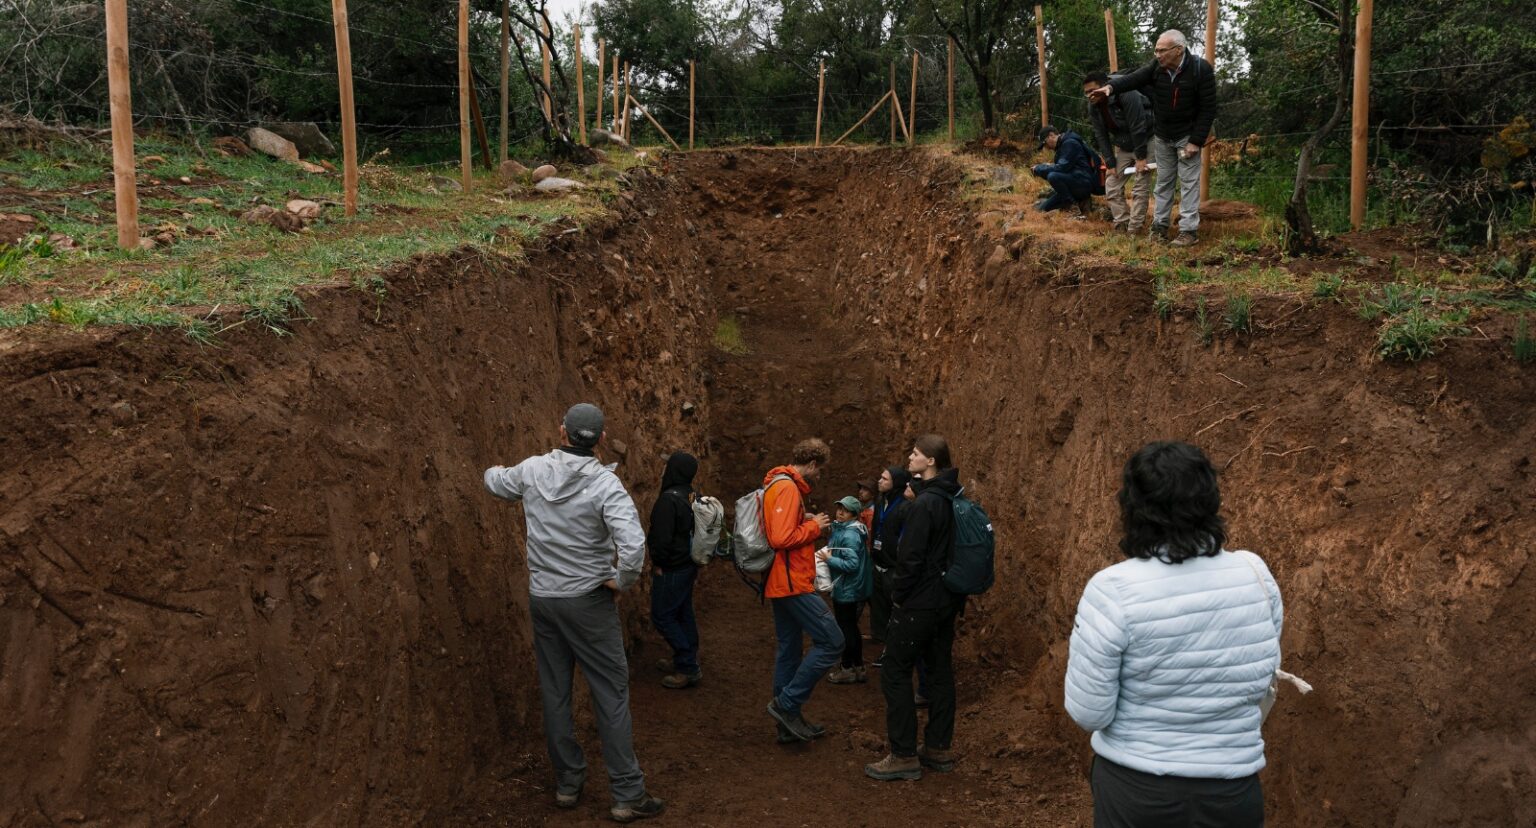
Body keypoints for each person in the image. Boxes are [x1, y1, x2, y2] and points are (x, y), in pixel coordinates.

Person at [1065, 441, 1282, 827]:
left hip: (1140, 792)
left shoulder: (1113, 589)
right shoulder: (1256, 575)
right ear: (1209, 499)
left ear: (1133, 508)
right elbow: (1263, 678)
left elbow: (1089, 712)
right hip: (1233, 791)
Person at [483, 403, 665, 823]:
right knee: (610, 694)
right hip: (588, 601)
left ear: (561, 429)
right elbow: (634, 547)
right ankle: (627, 792)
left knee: (555, 692)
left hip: (544, 600)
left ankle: (568, 783)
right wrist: (622, 581)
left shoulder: (531, 470)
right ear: (601, 440)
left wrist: (491, 469)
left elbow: (496, 483)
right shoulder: (605, 485)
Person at [866, 435, 965, 782]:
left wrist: (898, 598)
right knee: (939, 671)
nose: (910, 458)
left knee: (894, 669)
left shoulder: (925, 505)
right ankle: (938, 747)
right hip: (945, 601)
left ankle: (904, 754)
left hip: (919, 603)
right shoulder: (953, 498)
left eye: (916, 454)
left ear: (932, 462)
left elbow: (910, 559)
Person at [1090, 29, 1218, 247]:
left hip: (1187, 135)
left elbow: (1208, 109)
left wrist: (1195, 141)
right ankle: (1159, 228)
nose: (1157, 55)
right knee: (1164, 183)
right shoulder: (1156, 68)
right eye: (1156, 50)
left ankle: (1188, 231)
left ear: (1179, 50)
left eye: (1162, 50)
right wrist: (1110, 87)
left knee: (1188, 183)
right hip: (1162, 135)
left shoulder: (1200, 69)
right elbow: (1134, 79)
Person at [762, 438, 843, 744]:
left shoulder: (781, 486)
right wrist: (815, 527)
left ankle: (788, 724)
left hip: (783, 581)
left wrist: (803, 520)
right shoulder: (786, 487)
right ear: (811, 465)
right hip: (792, 583)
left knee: (790, 649)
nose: (820, 476)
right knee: (833, 641)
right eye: (819, 470)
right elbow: (781, 538)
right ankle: (786, 705)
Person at [647, 451, 702, 690]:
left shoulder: (668, 500)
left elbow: (661, 539)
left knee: (662, 616)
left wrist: (658, 564)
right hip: (689, 564)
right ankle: (686, 658)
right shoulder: (693, 496)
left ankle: (688, 666)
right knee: (682, 612)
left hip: (671, 568)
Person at [1083, 71, 1152, 235]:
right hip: (1123, 144)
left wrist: (1141, 157)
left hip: (1147, 140)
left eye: (1092, 90)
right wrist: (1110, 162)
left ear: (1104, 86)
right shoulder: (1093, 105)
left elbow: (1138, 124)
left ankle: (1134, 229)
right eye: (1086, 92)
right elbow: (1100, 134)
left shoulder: (1126, 93)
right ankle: (1121, 223)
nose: (1089, 96)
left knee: (1140, 184)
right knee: (1112, 184)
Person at [821, 496, 873, 685]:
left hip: (847, 587)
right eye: (839, 508)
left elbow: (851, 564)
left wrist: (828, 560)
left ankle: (847, 669)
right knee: (851, 627)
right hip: (850, 586)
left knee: (846, 629)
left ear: (854, 515)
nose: (840, 512)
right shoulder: (846, 529)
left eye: (846, 510)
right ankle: (858, 667)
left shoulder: (850, 534)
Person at [868, 466, 912, 647]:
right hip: (878, 564)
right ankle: (880, 639)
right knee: (878, 606)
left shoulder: (905, 507)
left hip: (893, 567)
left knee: (895, 608)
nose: (879, 481)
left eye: (885, 479)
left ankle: (894, 646)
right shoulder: (879, 502)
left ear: (896, 484)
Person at [1031, 124, 1098, 216]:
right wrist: (1044, 168)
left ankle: (1072, 206)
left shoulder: (1069, 143)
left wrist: (1039, 168)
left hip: (1083, 183)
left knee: (1053, 176)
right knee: (1042, 209)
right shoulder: (1062, 145)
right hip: (1074, 182)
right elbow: (1062, 167)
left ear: (1051, 135)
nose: (1046, 147)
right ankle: (1073, 201)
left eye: (1045, 143)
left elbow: (1061, 168)